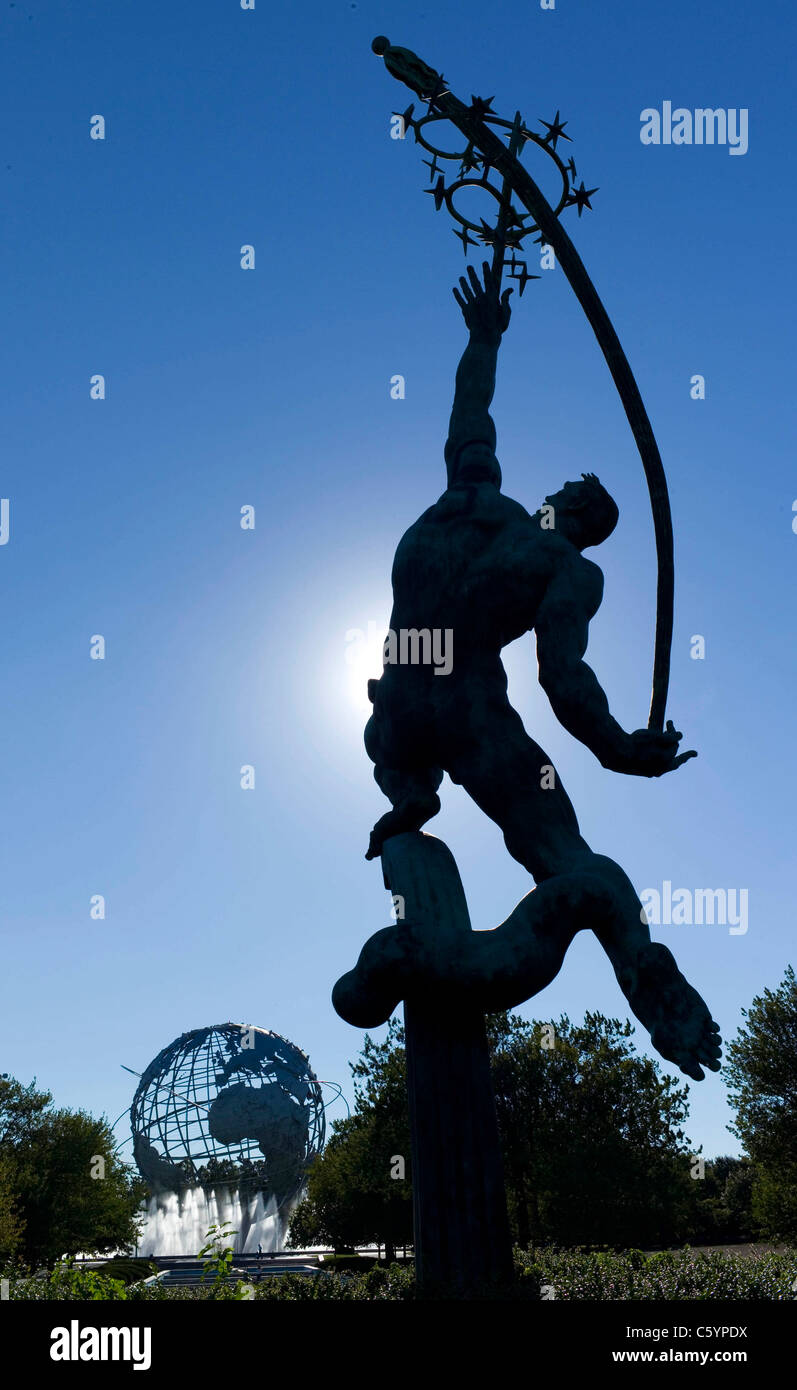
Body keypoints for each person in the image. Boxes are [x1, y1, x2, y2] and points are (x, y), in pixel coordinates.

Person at [362, 263, 720, 1081]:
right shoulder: (542, 550)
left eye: (569, 493)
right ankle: (632, 952)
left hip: (399, 698)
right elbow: (565, 686)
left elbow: (469, 414)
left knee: (424, 757)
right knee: (580, 866)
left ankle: (407, 785)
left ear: (580, 521)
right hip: (467, 706)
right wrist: (619, 750)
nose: (556, 491)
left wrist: (482, 337)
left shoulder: (480, 500)